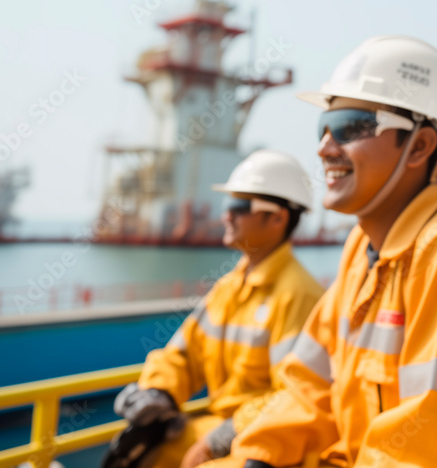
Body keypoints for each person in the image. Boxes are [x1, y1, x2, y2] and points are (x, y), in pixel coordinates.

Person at [210, 35, 437, 467]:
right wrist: (257, 454)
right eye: (323, 127)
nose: (324, 148)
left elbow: (433, 450)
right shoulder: (362, 248)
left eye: (349, 126)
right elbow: (310, 385)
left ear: (418, 146)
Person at [109, 150, 324, 468]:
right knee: (132, 456)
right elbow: (184, 356)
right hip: (223, 427)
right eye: (228, 206)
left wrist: (223, 436)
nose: (226, 215)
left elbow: (295, 396)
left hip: (269, 442)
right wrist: (158, 393)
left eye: (239, 206)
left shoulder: (299, 296)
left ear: (278, 217)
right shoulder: (228, 287)